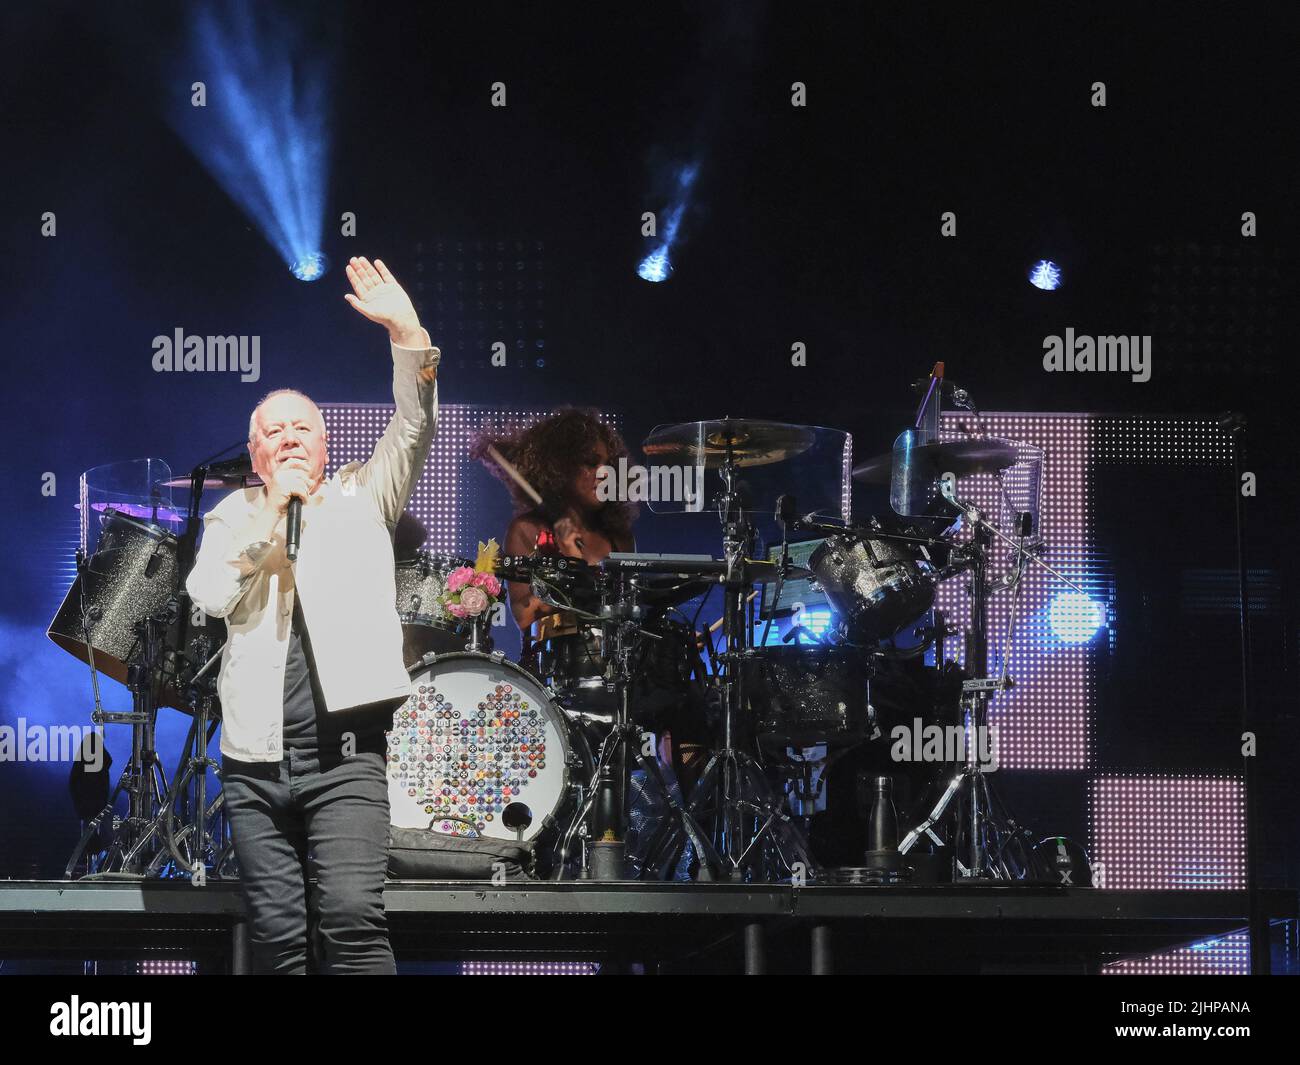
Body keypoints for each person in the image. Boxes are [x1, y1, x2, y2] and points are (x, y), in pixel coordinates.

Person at [186, 256, 439, 974]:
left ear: (327, 445)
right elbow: (207, 595)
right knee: (275, 938)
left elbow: (415, 423)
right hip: (253, 764)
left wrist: (407, 332)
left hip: (346, 758)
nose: (290, 437)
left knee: (353, 919)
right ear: (256, 455)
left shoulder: (366, 497)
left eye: (303, 427)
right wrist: (271, 515)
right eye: (273, 432)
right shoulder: (234, 513)